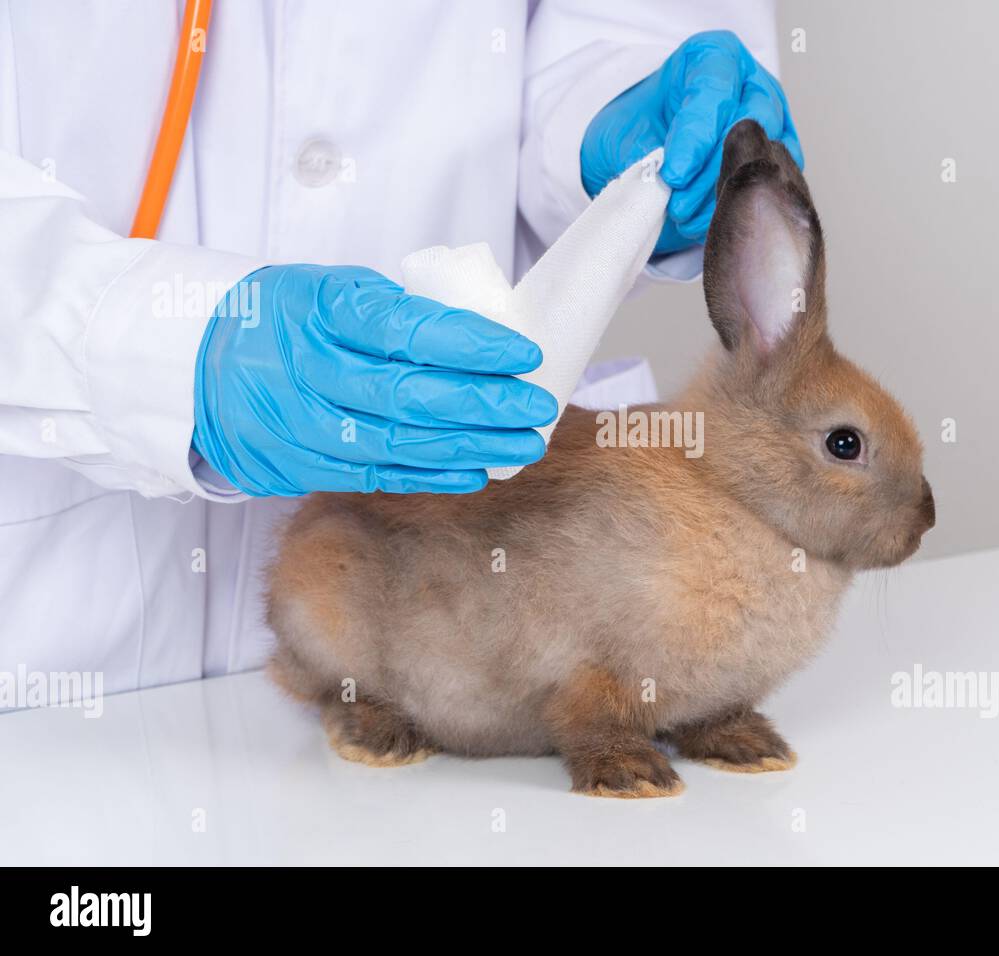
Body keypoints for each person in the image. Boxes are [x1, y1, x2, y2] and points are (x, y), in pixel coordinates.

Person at [0, 1, 801, 701]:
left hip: (453, 640)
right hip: (52, 654)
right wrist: (150, 345)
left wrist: (616, 107)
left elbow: (615, 26)